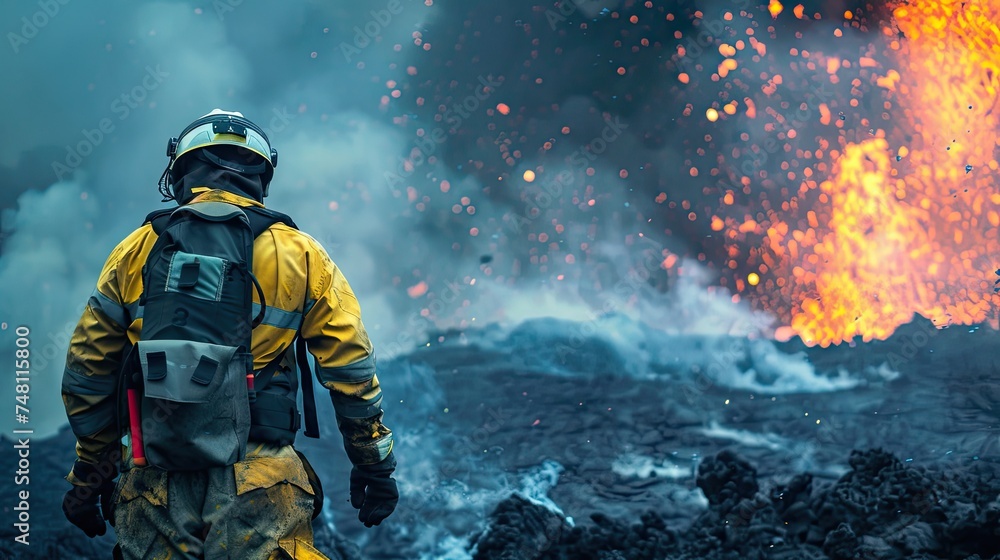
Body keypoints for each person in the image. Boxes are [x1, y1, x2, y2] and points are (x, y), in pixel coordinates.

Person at [60, 109, 398, 559]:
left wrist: (91, 473)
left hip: (154, 482)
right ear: (261, 175)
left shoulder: (136, 250)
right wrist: (373, 465)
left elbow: (87, 373)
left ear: (180, 168)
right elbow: (350, 367)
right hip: (261, 484)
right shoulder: (300, 253)